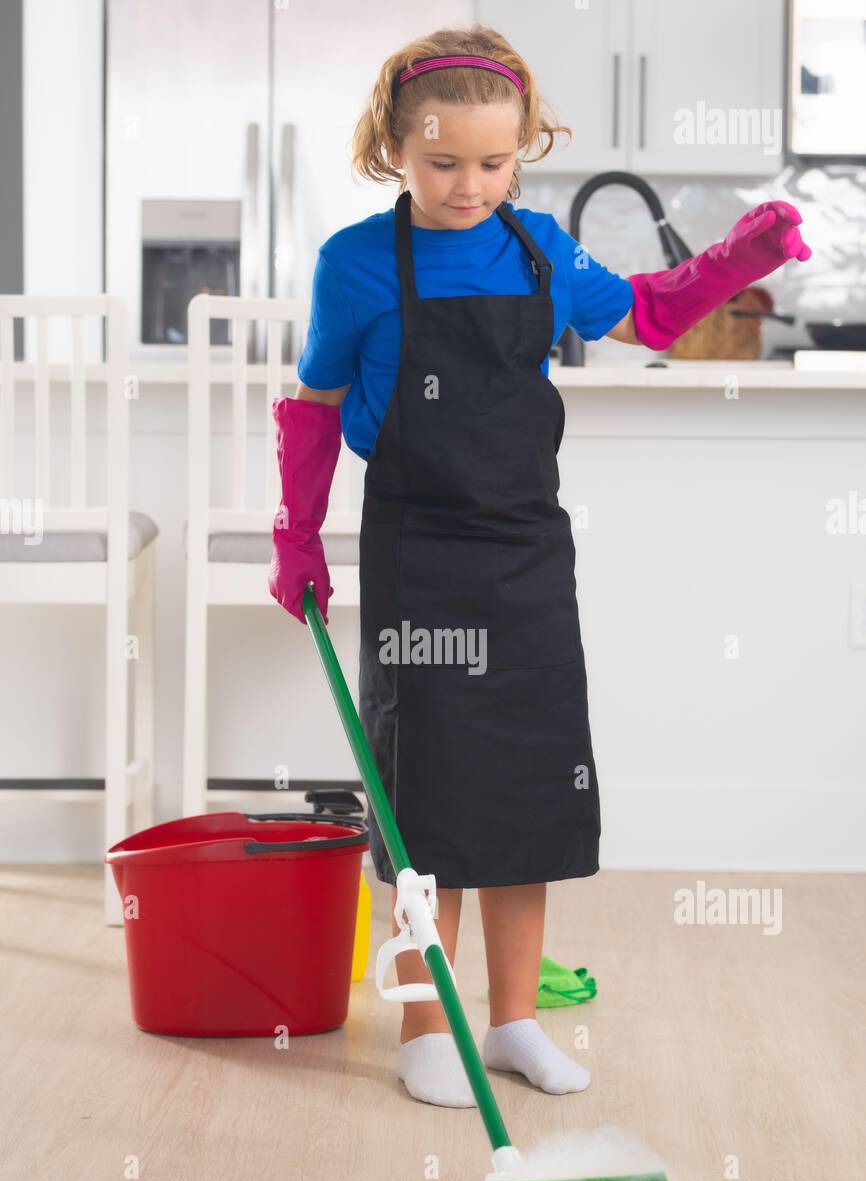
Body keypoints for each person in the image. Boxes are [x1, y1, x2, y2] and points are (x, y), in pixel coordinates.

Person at [269, 24, 811, 1108]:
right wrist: (296, 537)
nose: (467, 185)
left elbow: (650, 312)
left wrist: (743, 257)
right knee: (423, 797)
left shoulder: (539, 253)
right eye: (440, 162)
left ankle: (512, 1020)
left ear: (523, 151)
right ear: (392, 148)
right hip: (419, 553)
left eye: (492, 162)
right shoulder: (356, 264)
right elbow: (315, 409)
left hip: (524, 550)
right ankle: (429, 1024)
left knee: (524, 793)